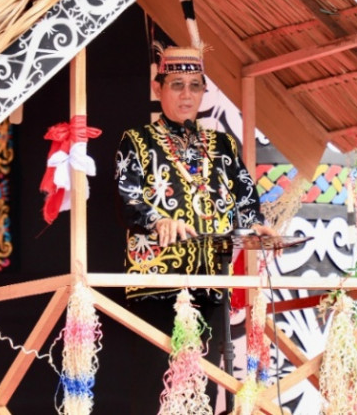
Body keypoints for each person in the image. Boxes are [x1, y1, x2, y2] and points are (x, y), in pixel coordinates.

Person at [114, 45, 277, 414]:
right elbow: (128, 201)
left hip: (210, 282)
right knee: (155, 389)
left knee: (202, 389)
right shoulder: (136, 141)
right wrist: (158, 220)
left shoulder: (221, 145)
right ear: (159, 89)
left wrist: (256, 228)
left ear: (204, 91)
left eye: (194, 85)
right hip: (156, 285)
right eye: (176, 85)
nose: (187, 95)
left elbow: (246, 198)